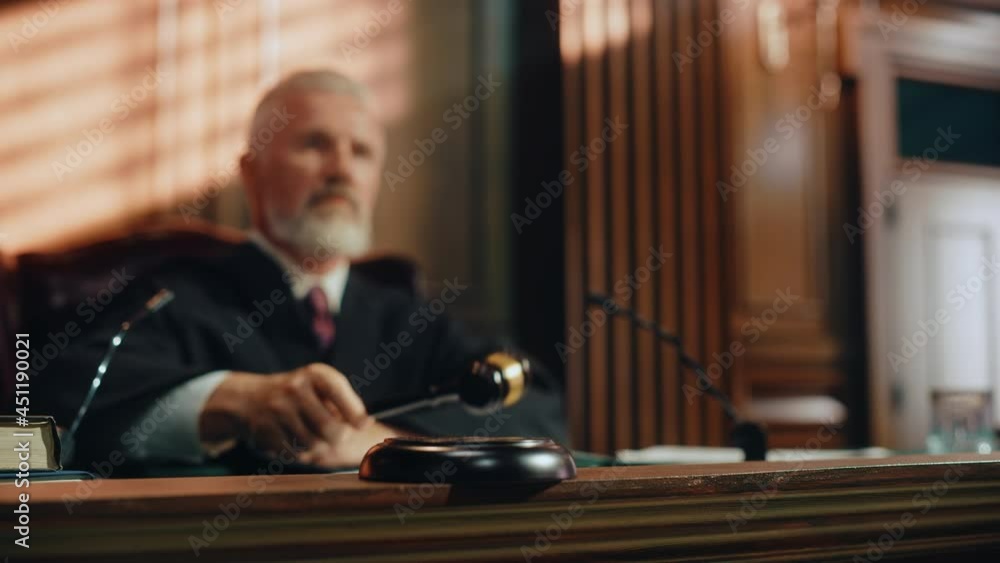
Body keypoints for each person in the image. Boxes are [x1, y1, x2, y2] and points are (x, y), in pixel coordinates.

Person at [36, 69, 566, 472]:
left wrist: (384, 443)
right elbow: (58, 402)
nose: (341, 169)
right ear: (252, 173)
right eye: (315, 144)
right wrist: (231, 401)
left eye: (361, 152)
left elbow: (538, 407)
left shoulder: (405, 312)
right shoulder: (176, 291)